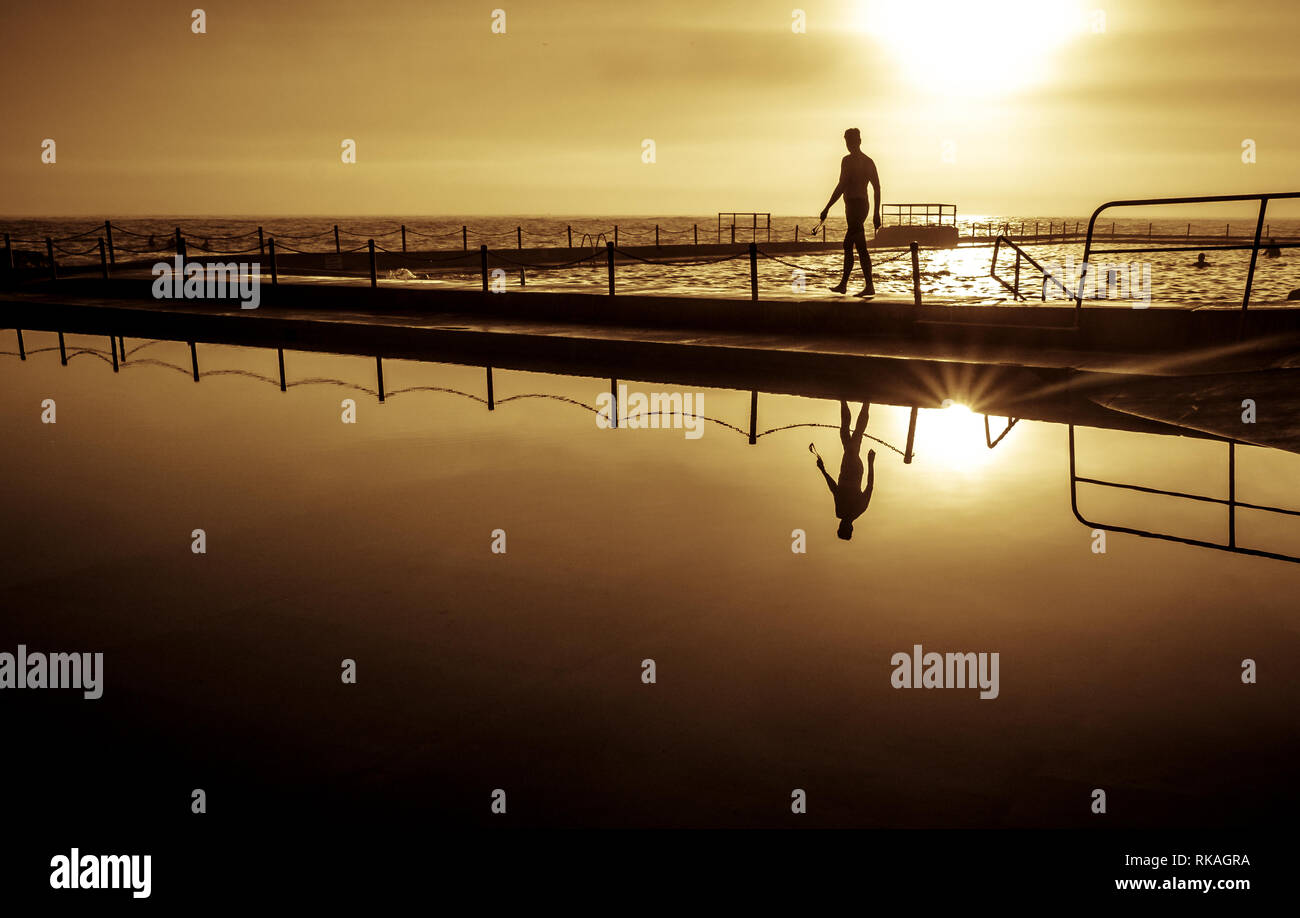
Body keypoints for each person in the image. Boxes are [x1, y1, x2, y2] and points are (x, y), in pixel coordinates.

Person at [819, 128, 882, 296]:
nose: (849, 145)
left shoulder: (866, 162)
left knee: (849, 244)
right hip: (850, 207)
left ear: (859, 141)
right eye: (847, 142)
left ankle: (851, 284)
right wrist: (828, 207)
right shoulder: (847, 160)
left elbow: (876, 187)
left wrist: (876, 213)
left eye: (851, 141)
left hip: (859, 206)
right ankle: (860, 285)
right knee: (857, 246)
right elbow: (842, 186)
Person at [814, 400, 876, 541]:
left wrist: (823, 470)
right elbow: (869, 487)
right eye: (843, 528)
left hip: (845, 468)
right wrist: (871, 462)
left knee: (847, 436)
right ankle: (859, 401)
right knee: (854, 436)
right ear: (849, 528)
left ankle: (857, 402)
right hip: (854, 470)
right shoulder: (858, 510)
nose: (842, 525)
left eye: (840, 527)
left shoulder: (840, 512)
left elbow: (834, 489)